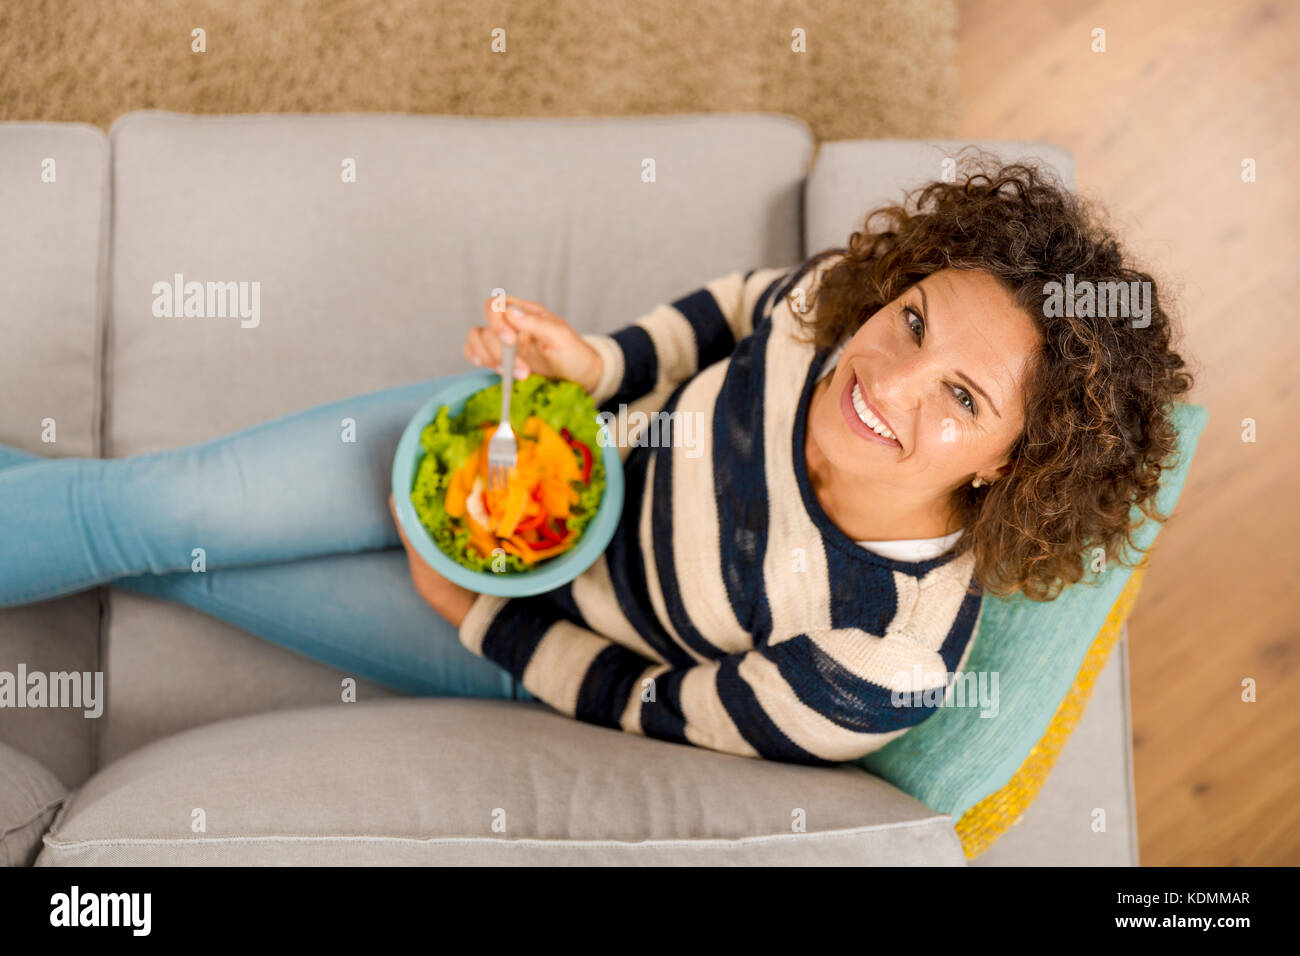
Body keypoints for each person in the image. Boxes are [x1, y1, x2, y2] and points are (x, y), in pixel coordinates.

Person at [0, 158, 1194, 765]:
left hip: (527, 625)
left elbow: (663, 706)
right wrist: (599, 365)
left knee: (182, 557)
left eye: (962, 398)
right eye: (916, 322)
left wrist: (483, 618)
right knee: (156, 506)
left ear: (1010, 465)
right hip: (532, 441)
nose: (884, 378)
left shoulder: (884, 658)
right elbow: (742, 305)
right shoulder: (850, 308)